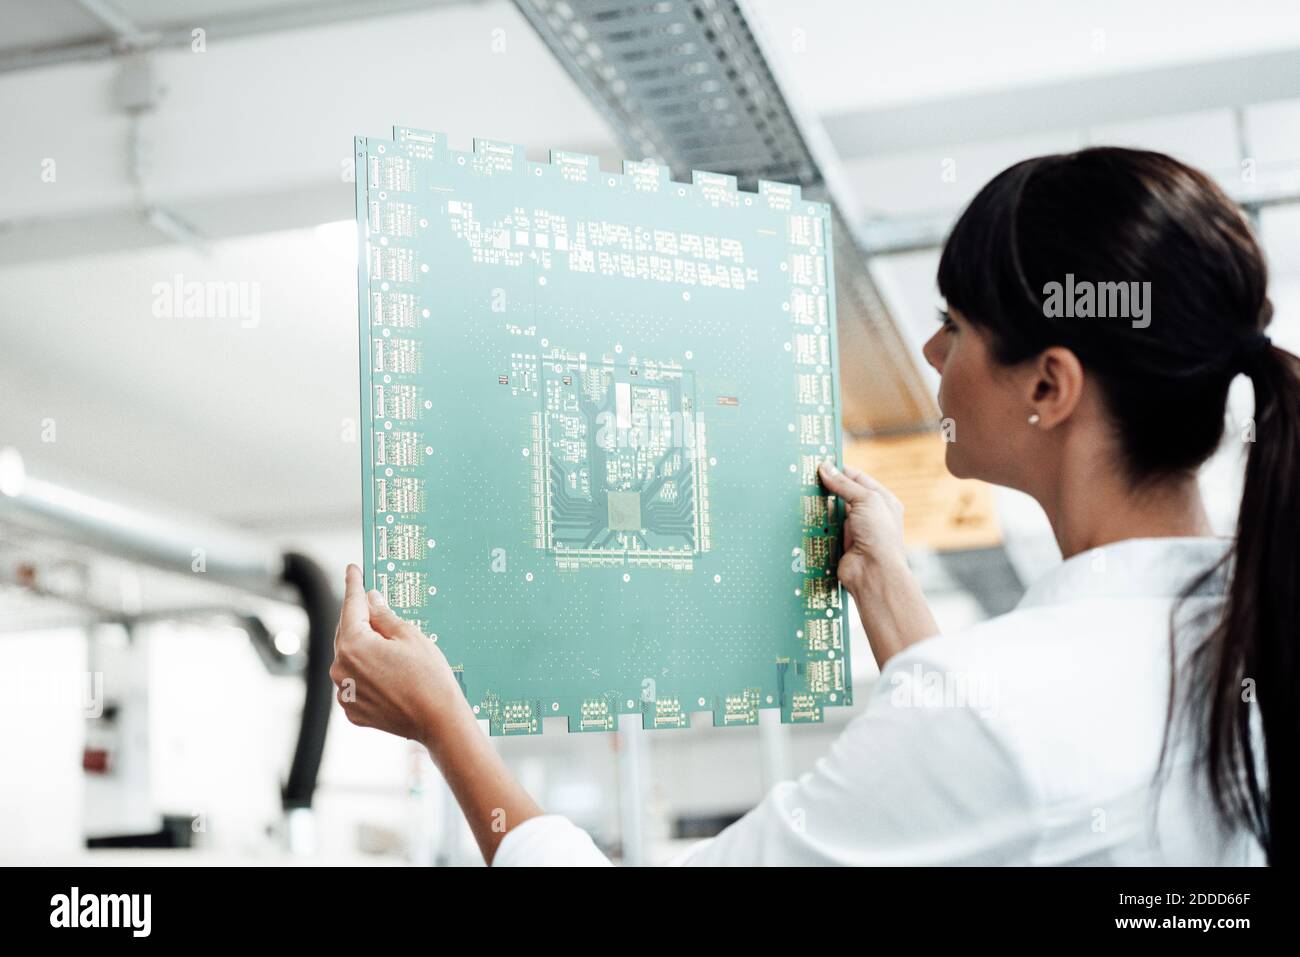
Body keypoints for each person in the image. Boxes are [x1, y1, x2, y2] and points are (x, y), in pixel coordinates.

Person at [330, 147, 1296, 866]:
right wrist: (894, 603)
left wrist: (443, 723)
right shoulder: (1245, 641)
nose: (930, 357)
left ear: (1049, 386)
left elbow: (997, 755)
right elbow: (1010, 801)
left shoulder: (997, 710)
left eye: (953, 327)